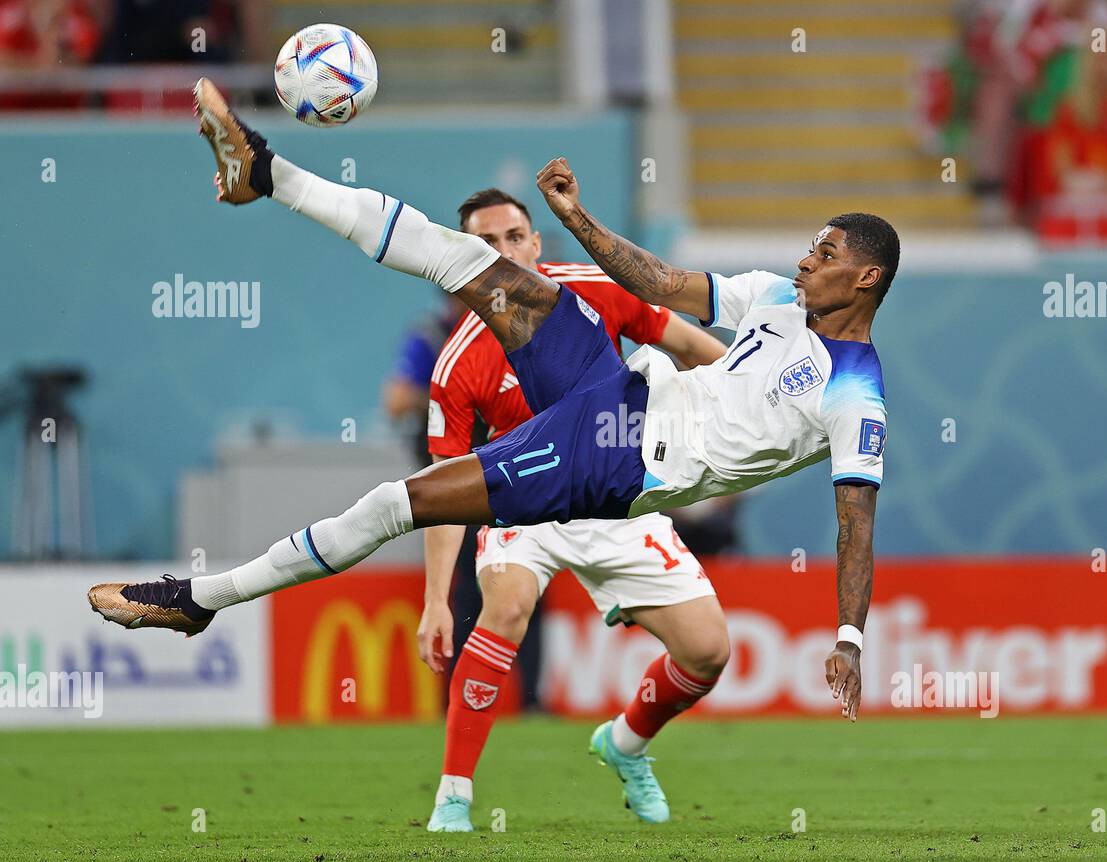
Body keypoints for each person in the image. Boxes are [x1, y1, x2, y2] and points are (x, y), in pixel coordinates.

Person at [90, 78, 894, 727]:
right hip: (614, 392)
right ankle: (264, 173)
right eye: (809, 244)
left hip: (614, 459)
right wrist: (576, 218)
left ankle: (200, 600)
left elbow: (854, 522)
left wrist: (850, 638)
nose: (803, 258)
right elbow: (661, 285)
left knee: (395, 504)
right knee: (468, 259)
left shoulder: (857, 394)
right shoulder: (772, 300)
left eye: (824, 254)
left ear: (865, 279)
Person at [419, 186, 728, 830]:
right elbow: (442, 493)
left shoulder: (597, 288)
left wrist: (751, 405)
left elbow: (695, 348)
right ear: (461, 262)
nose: (502, 254)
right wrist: (435, 599)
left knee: (708, 653)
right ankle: (454, 795)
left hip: (618, 495)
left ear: (536, 244)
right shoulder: (457, 362)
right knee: (504, 607)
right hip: (524, 508)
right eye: (483, 245)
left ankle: (624, 743)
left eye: (512, 238)